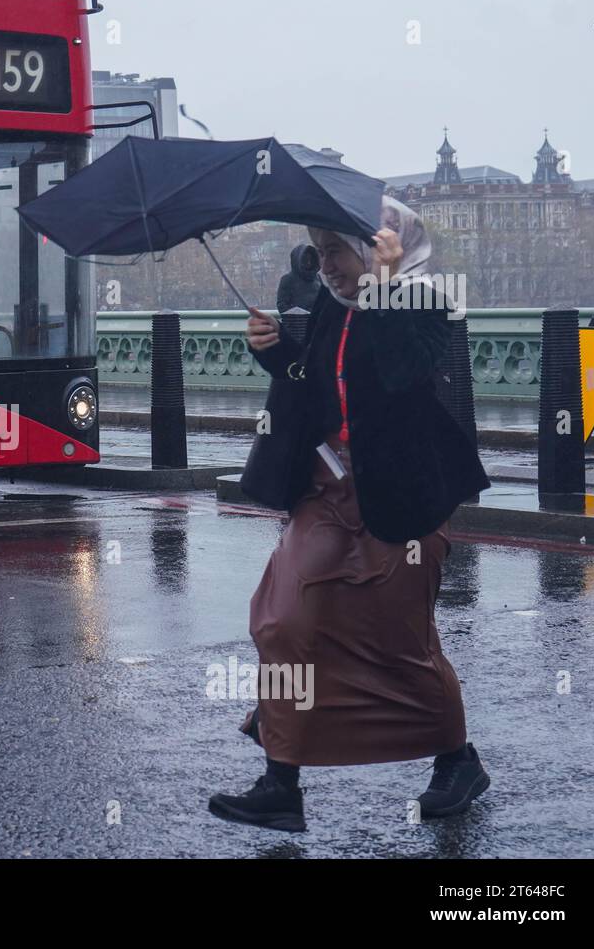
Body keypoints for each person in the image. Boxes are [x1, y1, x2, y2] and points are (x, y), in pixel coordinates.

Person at [212, 198, 491, 832]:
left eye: (335, 250)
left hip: (401, 495)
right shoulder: (327, 307)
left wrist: (386, 294)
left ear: (378, 248)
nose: (325, 265)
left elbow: (406, 375)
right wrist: (276, 353)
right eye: (318, 251)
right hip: (327, 494)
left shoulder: (427, 301)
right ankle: (281, 782)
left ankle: (457, 762)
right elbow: (313, 386)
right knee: (283, 621)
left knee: (401, 642)